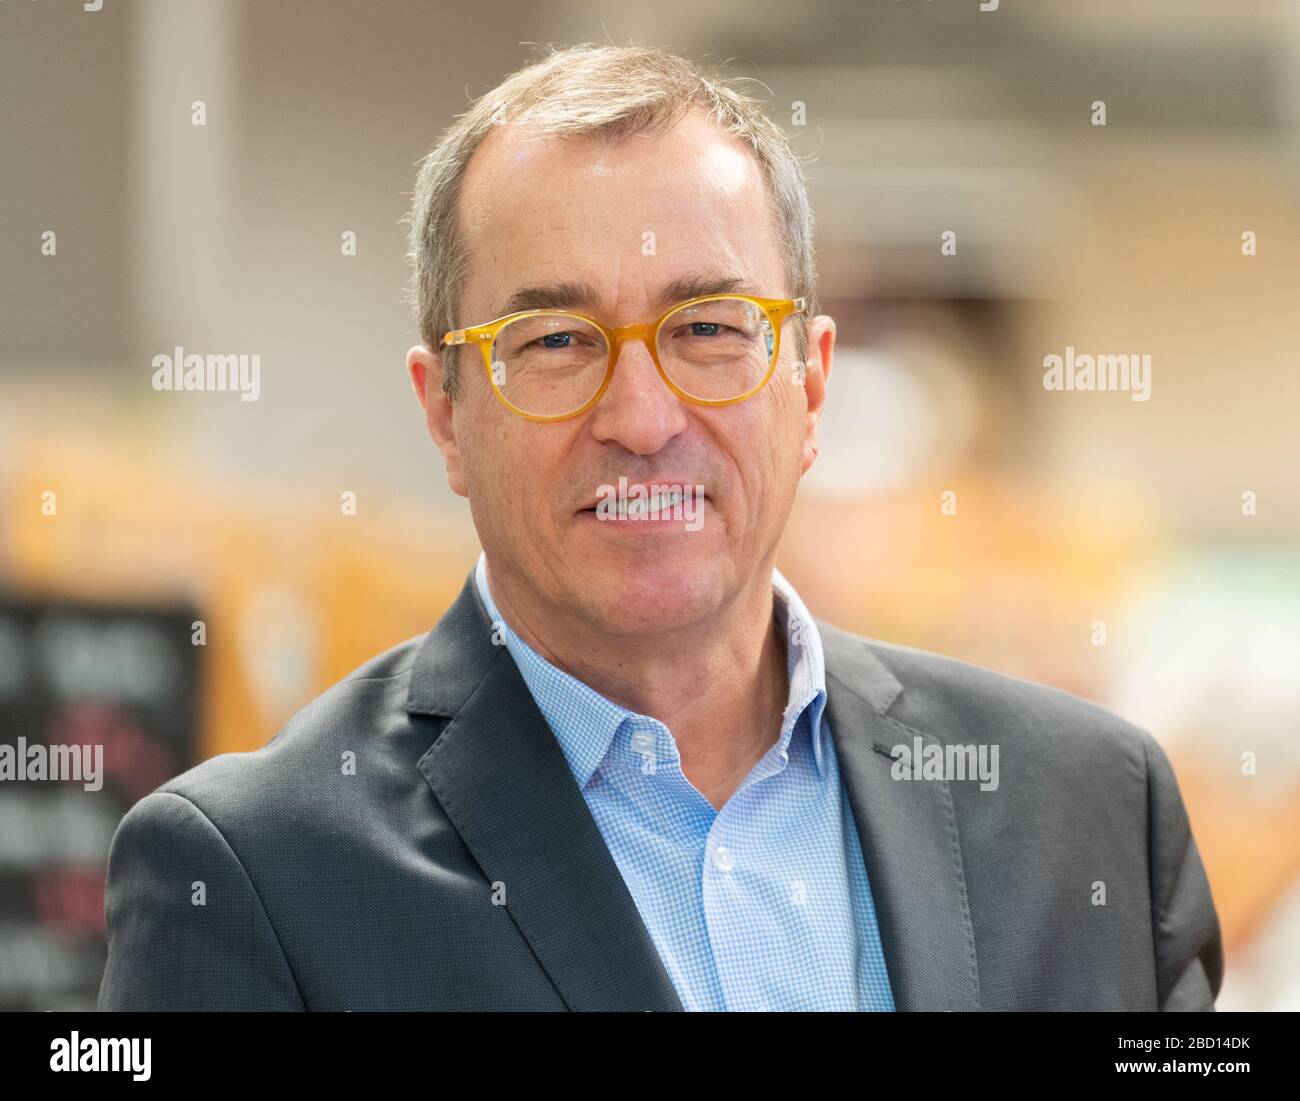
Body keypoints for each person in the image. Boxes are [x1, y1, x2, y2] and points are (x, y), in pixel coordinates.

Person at [99, 43, 1222, 1011]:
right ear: (444, 413)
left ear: (811, 385)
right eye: (553, 341)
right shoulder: (257, 876)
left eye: (709, 329)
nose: (641, 418)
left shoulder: (1087, 814)